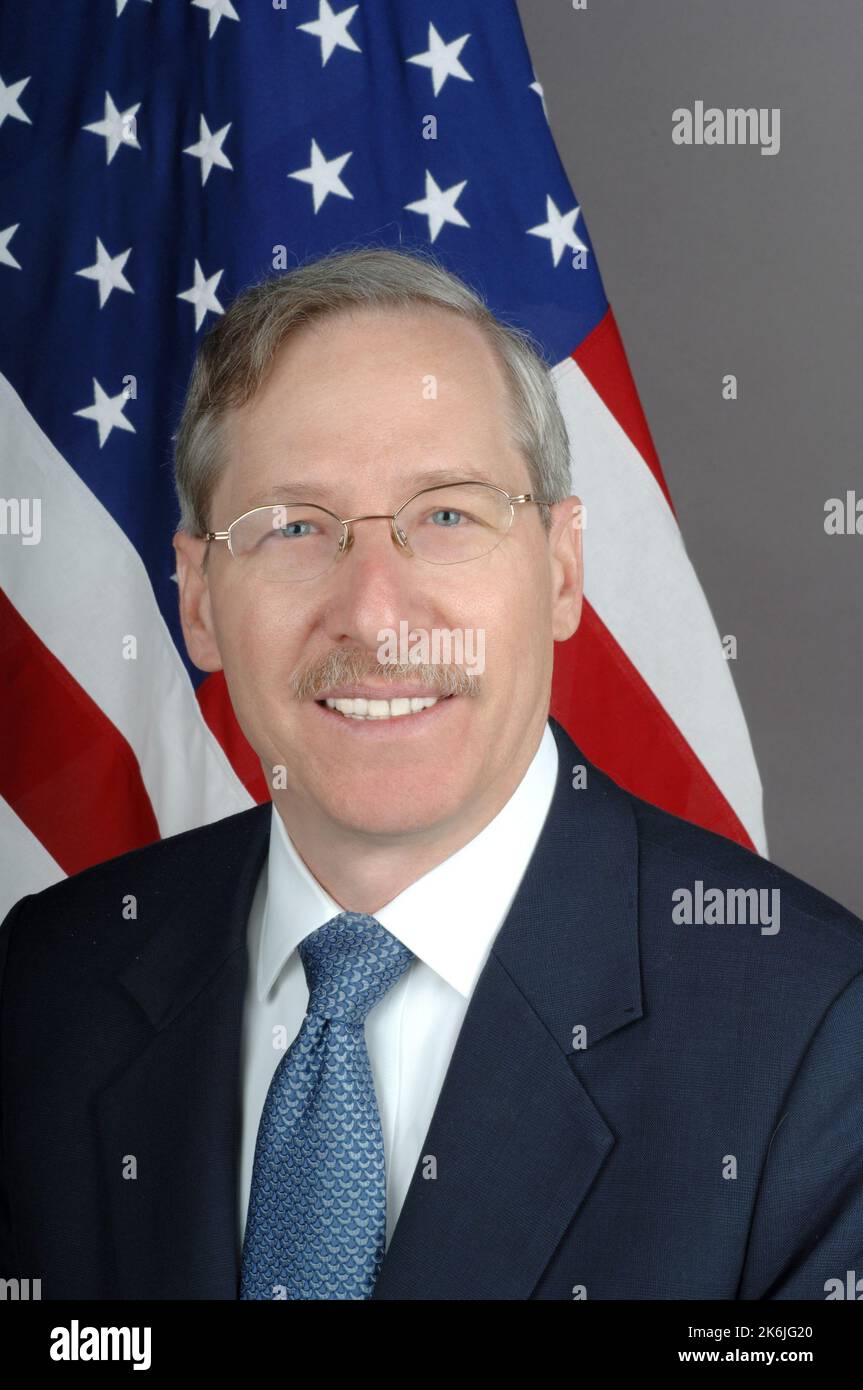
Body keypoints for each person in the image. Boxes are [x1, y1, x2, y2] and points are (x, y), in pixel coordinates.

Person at [1, 246, 862, 1301]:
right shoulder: (47, 985)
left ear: (558, 567)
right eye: (293, 527)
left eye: (446, 514)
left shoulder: (817, 1045)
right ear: (195, 599)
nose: (372, 612)